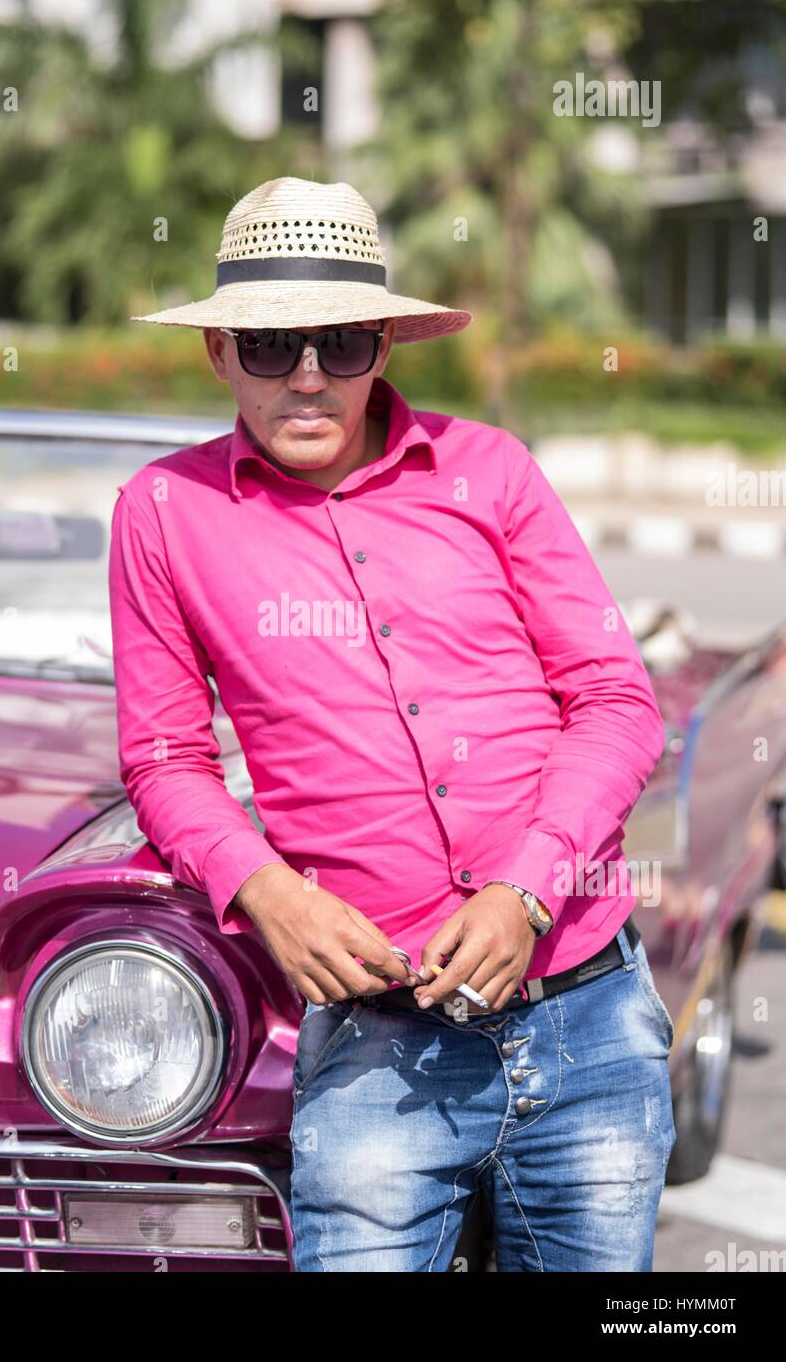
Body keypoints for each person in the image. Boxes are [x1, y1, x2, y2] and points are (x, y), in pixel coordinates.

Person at [108, 175, 675, 1272]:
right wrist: (263, 890)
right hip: (379, 1044)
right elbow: (165, 756)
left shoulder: (491, 471)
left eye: (342, 340)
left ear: (384, 346)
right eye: (273, 346)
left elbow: (613, 697)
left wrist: (526, 890)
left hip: (587, 1018)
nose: (310, 377)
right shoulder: (165, 514)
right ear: (219, 353)